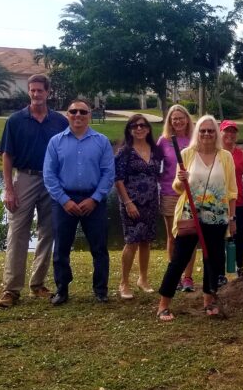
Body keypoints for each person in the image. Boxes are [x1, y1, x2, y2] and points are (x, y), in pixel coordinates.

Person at [0, 74, 69, 308]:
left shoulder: (59, 121)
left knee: (48, 231)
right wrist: (9, 189)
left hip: (52, 181)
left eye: (40, 90)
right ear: (28, 92)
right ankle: (11, 289)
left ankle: (37, 284)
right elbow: (7, 156)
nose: (36, 94)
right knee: (17, 232)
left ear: (48, 92)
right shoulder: (15, 120)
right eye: (32, 90)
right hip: (25, 178)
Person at [156, 115, 237, 321]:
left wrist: (232, 217)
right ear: (197, 133)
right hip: (189, 215)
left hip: (217, 217)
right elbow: (178, 187)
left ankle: (208, 301)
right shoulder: (187, 154)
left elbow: (231, 191)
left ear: (216, 133)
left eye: (210, 130)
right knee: (179, 259)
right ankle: (163, 304)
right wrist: (181, 179)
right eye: (203, 130)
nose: (206, 134)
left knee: (214, 260)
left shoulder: (225, 156)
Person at [43, 99, 115, 305]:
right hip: (64, 201)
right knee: (61, 248)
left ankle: (100, 290)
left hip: (94, 200)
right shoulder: (56, 142)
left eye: (83, 112)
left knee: (99, 248)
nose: (78, 115)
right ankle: (62, 289)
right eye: (73, 111)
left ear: (89, 115)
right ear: (67, 114)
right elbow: (49, 175)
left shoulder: (102, 141)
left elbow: (108, 173)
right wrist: (64, 200)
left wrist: (95, 199)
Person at [114, 115, 161, 299]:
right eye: (134, 126)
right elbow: (118, 180)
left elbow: (158, 175)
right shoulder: (124, 152)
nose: (139, 129)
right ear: (129, 130)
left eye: (142, 125)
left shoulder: (155, 150)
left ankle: (143, 279)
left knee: (146, 241)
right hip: (131, 203)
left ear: (148, 129)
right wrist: (128, 202)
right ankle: (124, 283)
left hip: (151, 202)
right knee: (132, 241)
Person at [156, 105, 197, 291]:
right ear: (170, 122)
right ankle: (175, 275)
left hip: (191, 194)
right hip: (169, 193)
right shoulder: (164, 141)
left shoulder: (195, 140)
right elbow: (155, 165)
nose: (178, 121)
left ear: (187, 119)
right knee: (173, 236)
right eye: (174, 119)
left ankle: (188, 277)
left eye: (181, 118)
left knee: (190, 235)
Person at [221, 119, 243, 279]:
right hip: (217, 203)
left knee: (238, 236)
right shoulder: (215, 153)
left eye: (233, 131)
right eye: (227, 131)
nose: (230, 134)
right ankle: (220, 271)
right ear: (220, 133)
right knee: (218, 237)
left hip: (239, 202)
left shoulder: (242, 155)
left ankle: (239, 267)